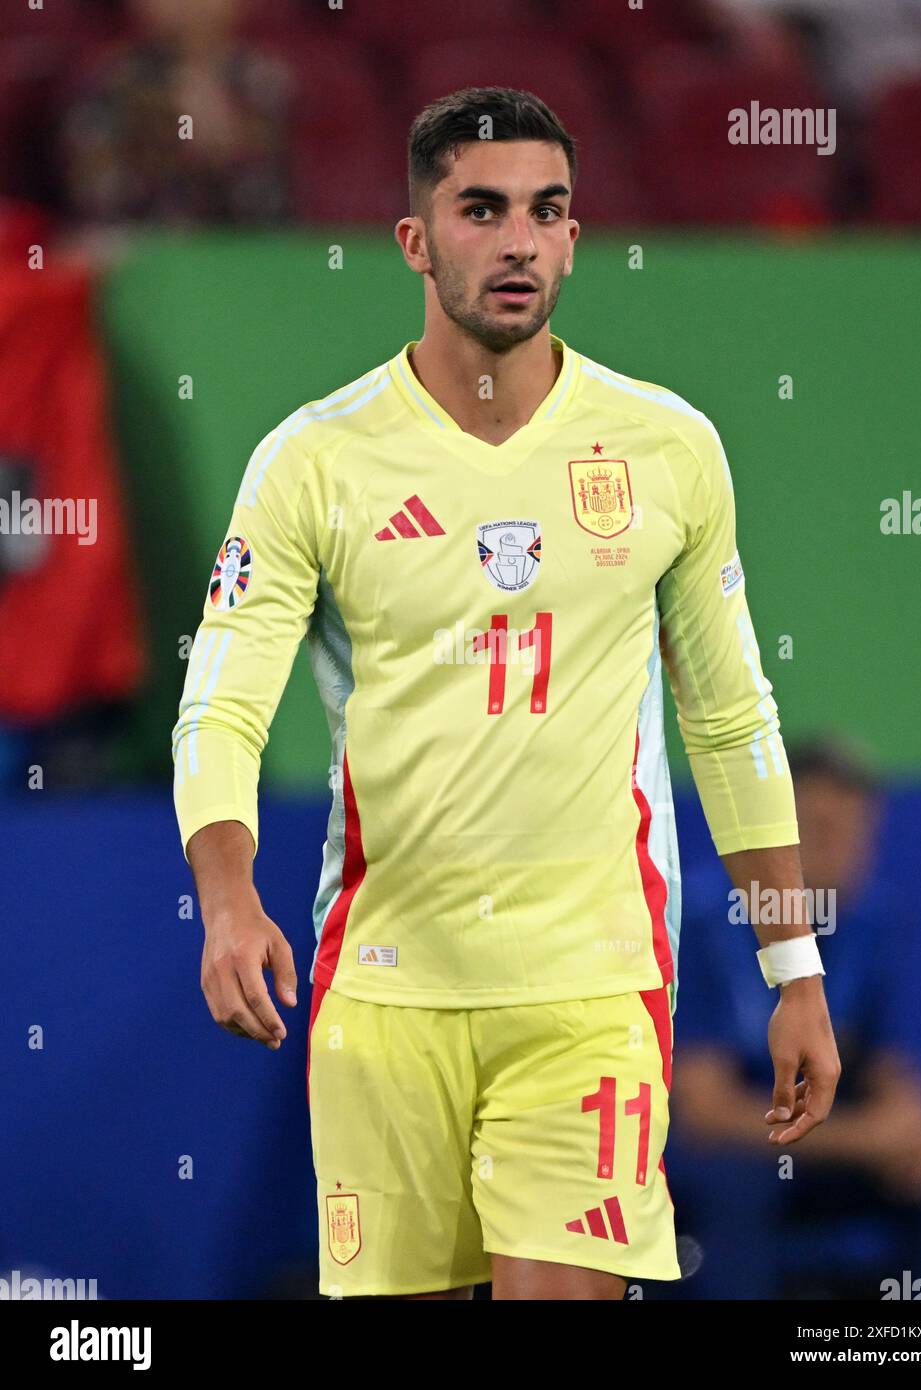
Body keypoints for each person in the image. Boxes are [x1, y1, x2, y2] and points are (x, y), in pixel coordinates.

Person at [171, 86, 840, 1301]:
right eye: (481, 210)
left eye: (547, 211)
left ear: (576, 237)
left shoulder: (667, 448)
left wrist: (793, 964)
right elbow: (220, 705)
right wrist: (225, 900)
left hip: (589, 983)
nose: (519, 241)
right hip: (384, 984)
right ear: (415, 240)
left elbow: (733, 716)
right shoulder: (313, 462)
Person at [666, 736, 921, 1298]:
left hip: (822, 1144)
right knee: (738, 1188)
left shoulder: (872, 924)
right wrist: (869, 1140)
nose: (846, 852)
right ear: (773, 833)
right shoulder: (707, 922)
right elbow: (705, 1114)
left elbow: (885, 1065)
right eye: (825, 831)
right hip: (737, 1152)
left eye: (861, 835)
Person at [59, 0, 291, 226]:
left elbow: (276, 214)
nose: (190, 5)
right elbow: (98, 202)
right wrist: (172, 144)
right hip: (144, 251)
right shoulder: (108, 82)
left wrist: (231, 153)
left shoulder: (263, 84)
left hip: (241, 254)